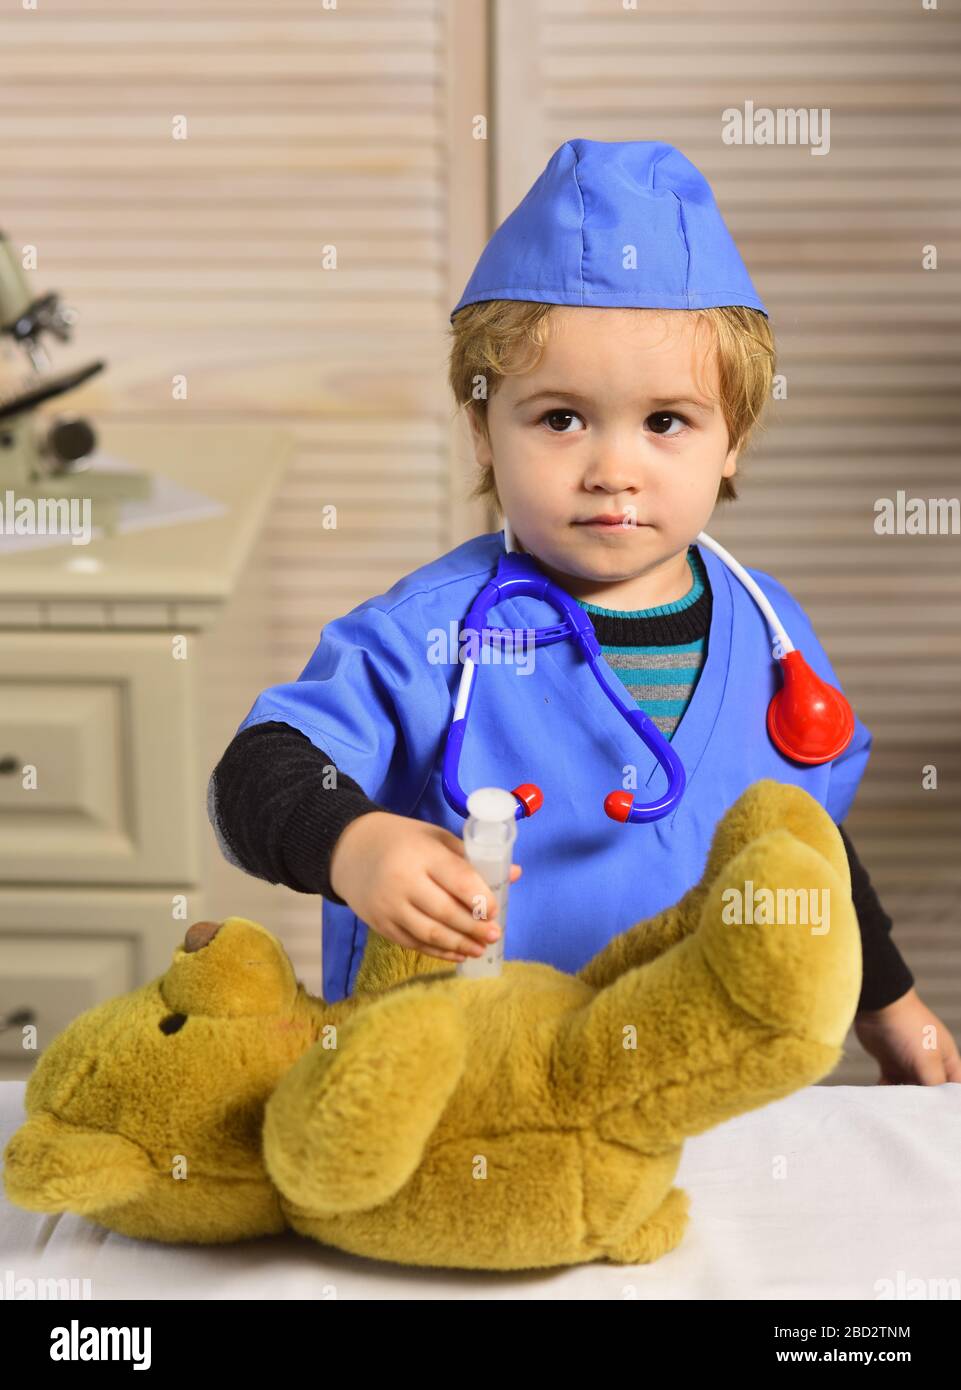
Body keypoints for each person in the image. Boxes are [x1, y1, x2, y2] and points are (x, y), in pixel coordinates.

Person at [208, 139, 959, 1084]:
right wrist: (354, 844)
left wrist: (888, 1005)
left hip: (695, 1091)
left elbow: (800, 845)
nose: (613, 468)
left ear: (734, 439)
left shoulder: (772, 633)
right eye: (560, 418)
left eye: (665, 421)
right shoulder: (426, 635)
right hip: (471, 1091)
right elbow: (254, 774)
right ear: (483, 429)